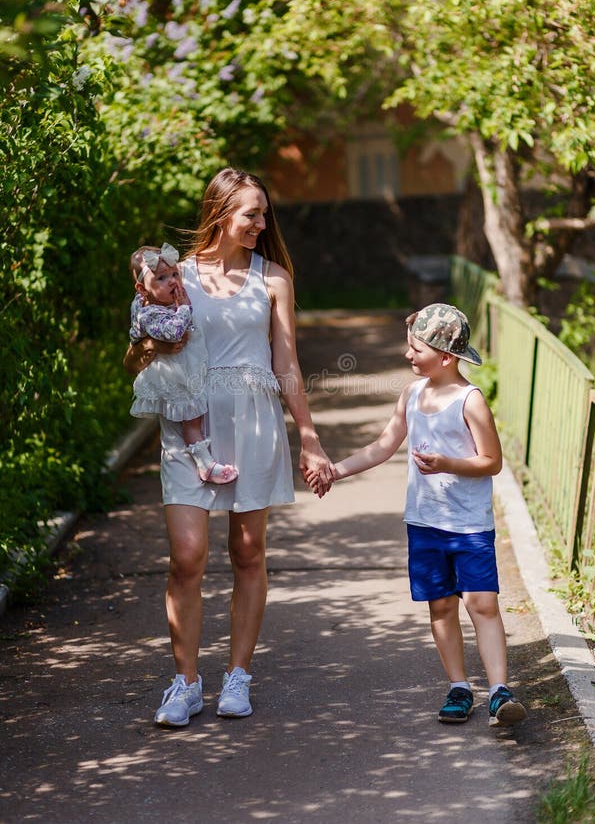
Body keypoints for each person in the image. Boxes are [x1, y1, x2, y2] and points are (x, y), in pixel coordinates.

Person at [124, 167, 334, 727]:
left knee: (247, 552)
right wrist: (149, 337)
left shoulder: (274, 278)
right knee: (187, 556)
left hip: (255, 419)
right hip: (191, 422)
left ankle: (237, 676)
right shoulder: (178, 275)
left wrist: (309, 439)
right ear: (220, 213)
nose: (261, 224)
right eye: (251, 214)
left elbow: (287, 363)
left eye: (264, 214)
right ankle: (185, 682)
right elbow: (146, 340)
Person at [310, 303, 527, 729]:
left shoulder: (470, 400)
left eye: (416, 348)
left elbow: (492, 462)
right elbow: (383, 445)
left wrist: (448, 463)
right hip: (425, 524)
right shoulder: (411, 394)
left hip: (468, 526)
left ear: (445, 357)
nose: (408, 355)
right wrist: (337, 470)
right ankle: (459, 687)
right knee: (440, 607)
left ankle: (500, 692)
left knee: (482, 604)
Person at [129, 242, 238, 485]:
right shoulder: (148, 313)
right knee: (192, 420)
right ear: (142, 289)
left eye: (175, 274)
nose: (173, 282)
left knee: (194, 419)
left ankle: (204, 461)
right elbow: (175, 333)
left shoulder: (159, 303)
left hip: (186, 367)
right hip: (175, 375)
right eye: (161, 278)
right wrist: (185, 308)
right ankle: (205, 464)